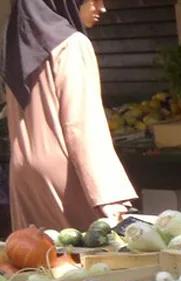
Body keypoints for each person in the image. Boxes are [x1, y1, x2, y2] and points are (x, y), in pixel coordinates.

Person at [3, 0, 136, 231]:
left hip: (22, 172)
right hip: (64, 174)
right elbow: (82, 124)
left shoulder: (17, 46)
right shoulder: (72, 45)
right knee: (86, 251)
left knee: (34, 252)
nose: (101, 8)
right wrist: (109, 195)